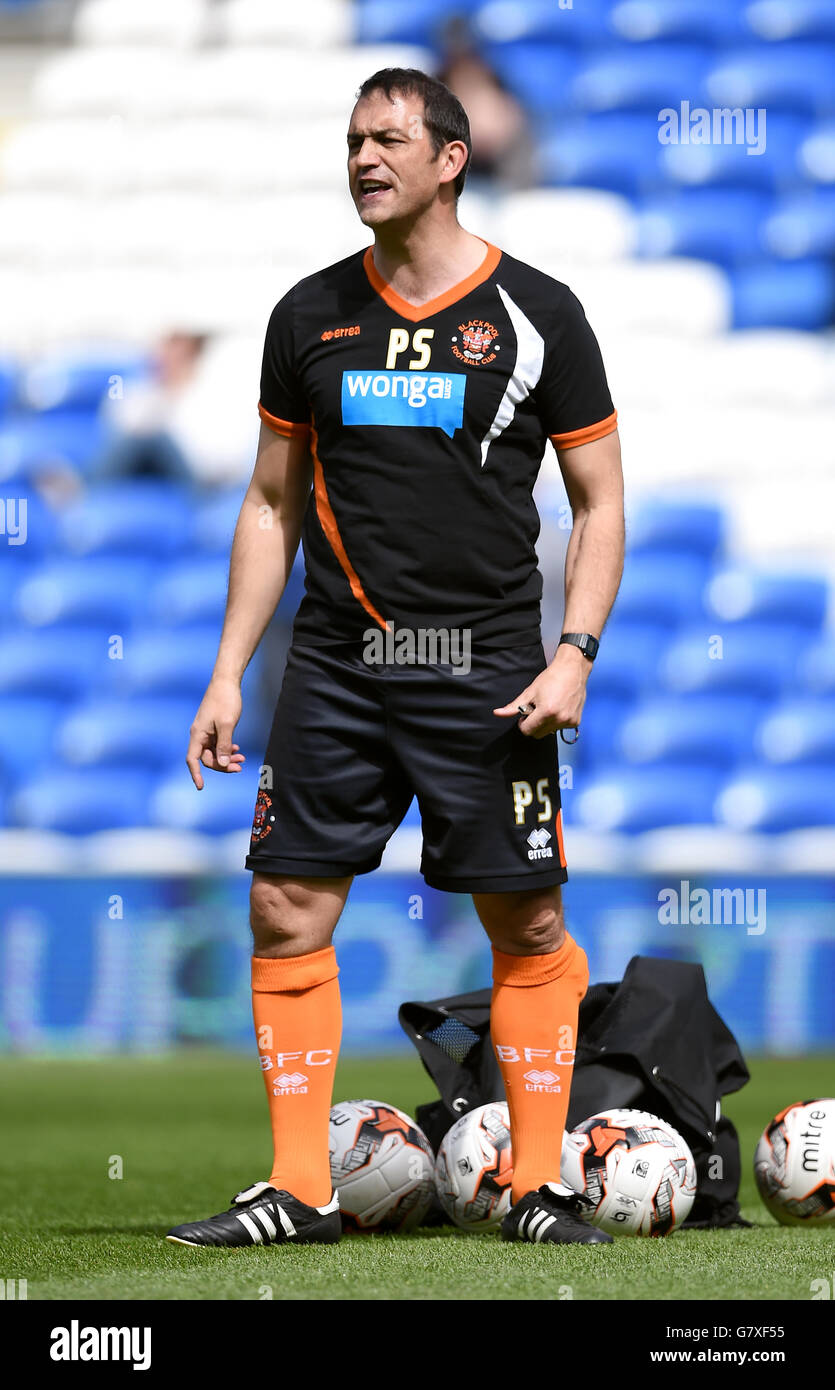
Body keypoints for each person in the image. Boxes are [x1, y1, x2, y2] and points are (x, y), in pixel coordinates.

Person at [167, 67, 624, 1249]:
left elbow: (600, 498)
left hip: (486, 673)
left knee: (524, 924)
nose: (364, 158)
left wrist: (573, 652)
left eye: (387, 139)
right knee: (283, 904)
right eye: (353, 140)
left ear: (451, 158)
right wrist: (228, 670)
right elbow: (270, 504)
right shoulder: (306, 315)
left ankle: (540, 1185)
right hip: (335, 666)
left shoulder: (538, 314)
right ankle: (298, 1189)